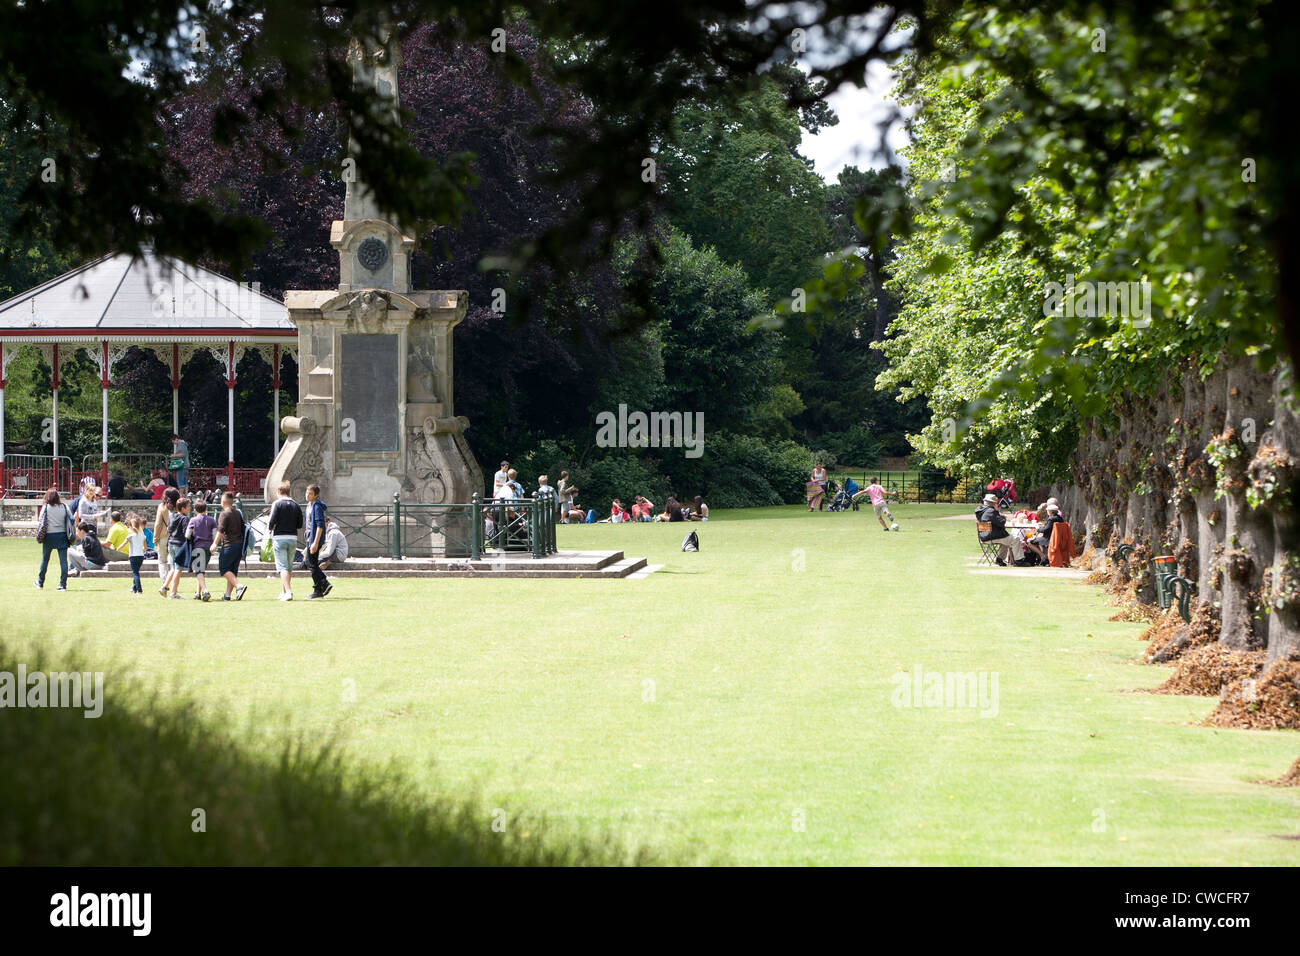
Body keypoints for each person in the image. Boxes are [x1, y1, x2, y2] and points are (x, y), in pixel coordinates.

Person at [267, 480, 303, 601]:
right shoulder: (296, 505)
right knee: (288, 566)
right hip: (292, 537)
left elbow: (271, 522)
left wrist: (270, 529)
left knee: (282, 567)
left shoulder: (277, 504)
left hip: (280, 537)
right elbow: (300, 524)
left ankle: (288, 592)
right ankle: (283, 591)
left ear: (279, 491)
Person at [34, 487, 75, 590]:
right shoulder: (64, 507)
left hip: (48, 536)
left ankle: (40, 582)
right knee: (63, 562)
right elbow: (72, 519)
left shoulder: (46, 507)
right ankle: (62, 584)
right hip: (62, 535)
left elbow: (40, 520)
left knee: (45, 559)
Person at [210, 491, 248, 601]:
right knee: (232, 570)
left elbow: (220, 530)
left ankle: (239, 586)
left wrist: (215, 543)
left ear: (223, 502)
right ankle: (227, 595)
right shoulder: (237, 512)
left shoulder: (224, 514)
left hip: (229, 545)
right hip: (239, 545)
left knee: (224, 568)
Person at [976, 492, 1024, 565]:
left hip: (984, 536)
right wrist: (1003, 517)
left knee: (1006, 540)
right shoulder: (991, 511)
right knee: (1015, 539)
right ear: (993, 503)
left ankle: (1000, 559)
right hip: (992, 536)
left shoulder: (980, 511)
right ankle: (1019, 561)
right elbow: (1001, 522)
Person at [185, 498, 217, 601]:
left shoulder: (193, 520)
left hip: (197, 547)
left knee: (198, 571)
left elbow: (187, 535)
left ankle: (205, 591)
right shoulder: (212, 520)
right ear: (206, 508)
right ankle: (197, 593)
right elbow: (214, 535)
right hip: (208, 548)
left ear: (194, 509)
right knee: (201, 571)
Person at [303, 483, 331, 600]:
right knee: (311, 563)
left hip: (314, 538)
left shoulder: (317, 506)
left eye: (310, 494)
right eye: (307, 493)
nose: (308, 495)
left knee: (311, 563)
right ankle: (322, 584)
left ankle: (320, 587)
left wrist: (315, 542)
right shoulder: (310, 505)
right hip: (310, 537)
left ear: (316, 495)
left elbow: (320, 525)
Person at [162, 496, 192, 598]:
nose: (189, 509)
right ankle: (173, 593)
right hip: (179, 545)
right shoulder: (185, 519)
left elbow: (169, 529)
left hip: (171, 544)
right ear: (182, 508)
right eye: (188, 507)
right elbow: (186, 534)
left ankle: (164, 587)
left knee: (173, 568)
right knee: (178, 569)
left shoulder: (172, 516)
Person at [153, 487, 179, 582]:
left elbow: (158, 523)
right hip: (176, 537)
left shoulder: (162, 507)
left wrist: (155, 537)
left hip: (163, 536)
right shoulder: (179, 507)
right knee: (173, 561)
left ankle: (165, 580)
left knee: (162, 560)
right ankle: (173, 581)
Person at [125, 513, 148, 594]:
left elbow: (123, 544)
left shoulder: (130, 536)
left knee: (135, 573)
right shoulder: (142, 535)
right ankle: (134, 589)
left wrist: (117, 550)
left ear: (130, 526)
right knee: (136, 572)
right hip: (141, 556)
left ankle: (139, 590)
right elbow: (145, 547)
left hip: (133, 556)